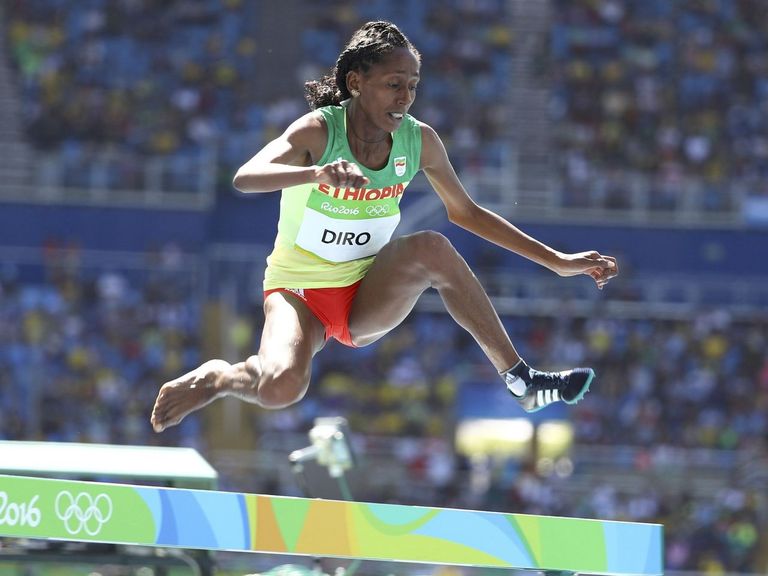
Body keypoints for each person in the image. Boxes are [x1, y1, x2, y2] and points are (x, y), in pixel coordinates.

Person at [150, 21, 618, 433]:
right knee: (281, 387)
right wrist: (314, 173)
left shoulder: (419, 141)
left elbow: (466, 212)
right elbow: (245, 178)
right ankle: (218, 377)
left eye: (413, 85)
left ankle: (522, 380)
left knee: (433, 248)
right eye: (394, 83)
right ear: (356, 82)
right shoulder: (317, 131)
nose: (406, 96)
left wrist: (557, 262)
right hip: (298, 294)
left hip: (365, 291)